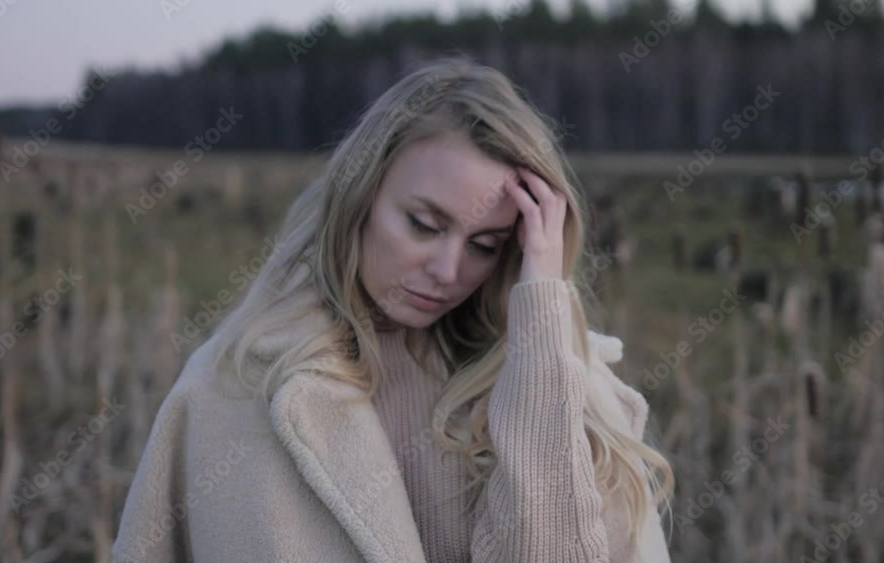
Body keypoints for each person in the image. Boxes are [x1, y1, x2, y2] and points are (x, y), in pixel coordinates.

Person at [111, 56, 674, 563]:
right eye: (424, 225)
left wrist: (542, 323)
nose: (448, 271)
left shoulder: (567, 392)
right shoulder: (229, 391)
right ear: (362, 196)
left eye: (486, 245)